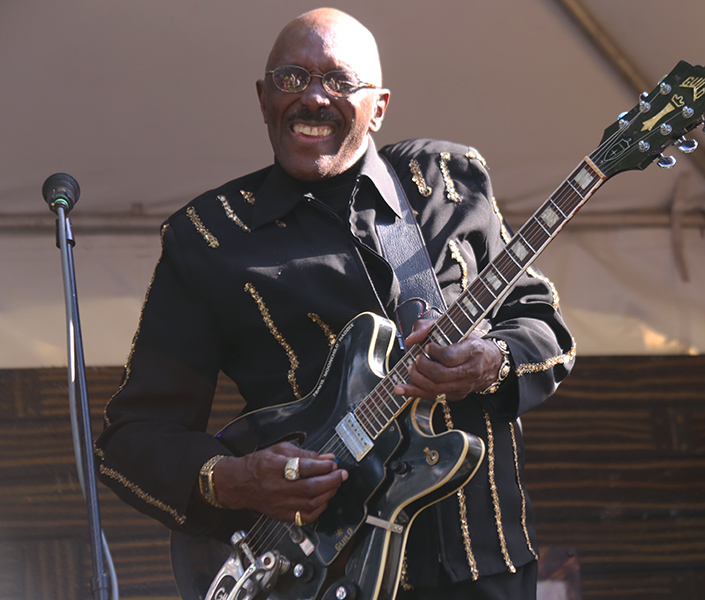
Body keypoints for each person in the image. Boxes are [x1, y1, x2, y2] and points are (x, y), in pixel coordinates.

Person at [96, 8, 575, 600]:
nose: (314, 97)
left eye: (341, 82)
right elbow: (134, 436)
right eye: (292, 78)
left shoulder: (447, 183)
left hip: (482, 564)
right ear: (263, 96)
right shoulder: (209, 238)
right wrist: (239, 481)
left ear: (380, 106)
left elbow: (544, 329)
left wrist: (491, 358)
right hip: (317, 572)